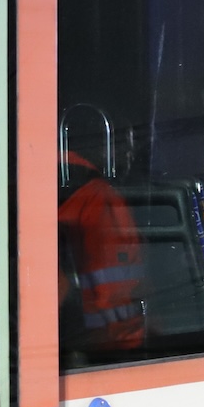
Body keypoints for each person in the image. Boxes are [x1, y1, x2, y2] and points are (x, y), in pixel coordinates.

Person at [59, 142, 147, 358]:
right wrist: (129, 346)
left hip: (43, 345)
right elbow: (114, 289)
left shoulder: (25, 180)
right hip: (98, 350)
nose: (129, 152)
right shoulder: (99, 198)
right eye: (122, 142)